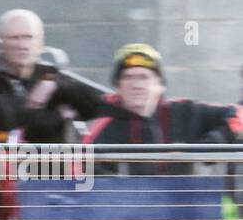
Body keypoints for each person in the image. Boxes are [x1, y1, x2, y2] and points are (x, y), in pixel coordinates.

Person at [84, 43, 243, 174]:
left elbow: (238, 115)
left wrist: (211, 145)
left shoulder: (184, 112)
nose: (136, 85)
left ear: (160, 85)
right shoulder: (102, 131)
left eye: (144, 77)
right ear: (117, 86)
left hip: (187, 210)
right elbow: (83, 179)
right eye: (128, 77)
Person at [0, 8, 100, 126]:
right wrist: (48, 112)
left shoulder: (50, 75)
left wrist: (58, 88)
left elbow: (94, 108)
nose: (22, 45)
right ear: (0, 43)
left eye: (28, 37)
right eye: (14, 38)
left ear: (40, 43)